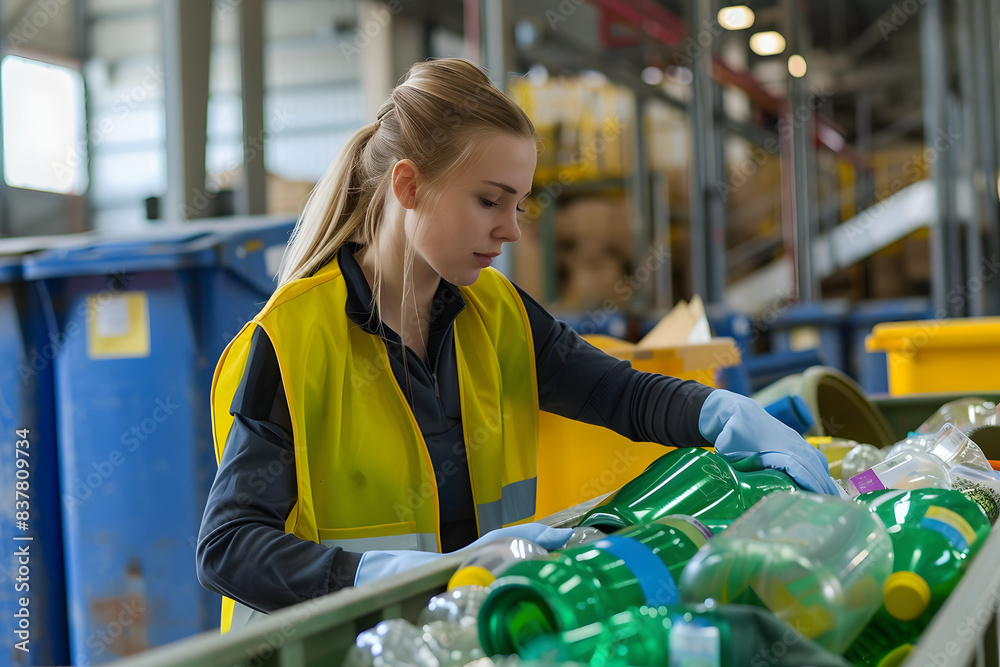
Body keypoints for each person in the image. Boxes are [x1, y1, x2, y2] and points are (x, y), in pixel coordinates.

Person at [196, 57, 837, 633]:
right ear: (408, 186)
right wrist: (386, 574)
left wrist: (720, 413)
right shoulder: (289, 344)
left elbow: (620, 393)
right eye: (489, 201)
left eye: (519, 205)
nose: (510, 230)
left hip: (463, 635)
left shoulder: (496, 315)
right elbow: (228, 547)